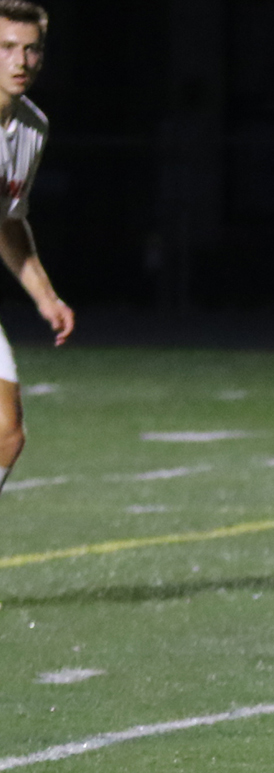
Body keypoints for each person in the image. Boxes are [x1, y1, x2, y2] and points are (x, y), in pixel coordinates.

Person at [0, 0, 69, 498]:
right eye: (5, 48)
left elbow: (9, 220)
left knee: (6, 433)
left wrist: (45, 297)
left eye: (31, 49)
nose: (20, 61)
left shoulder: (31, 127)